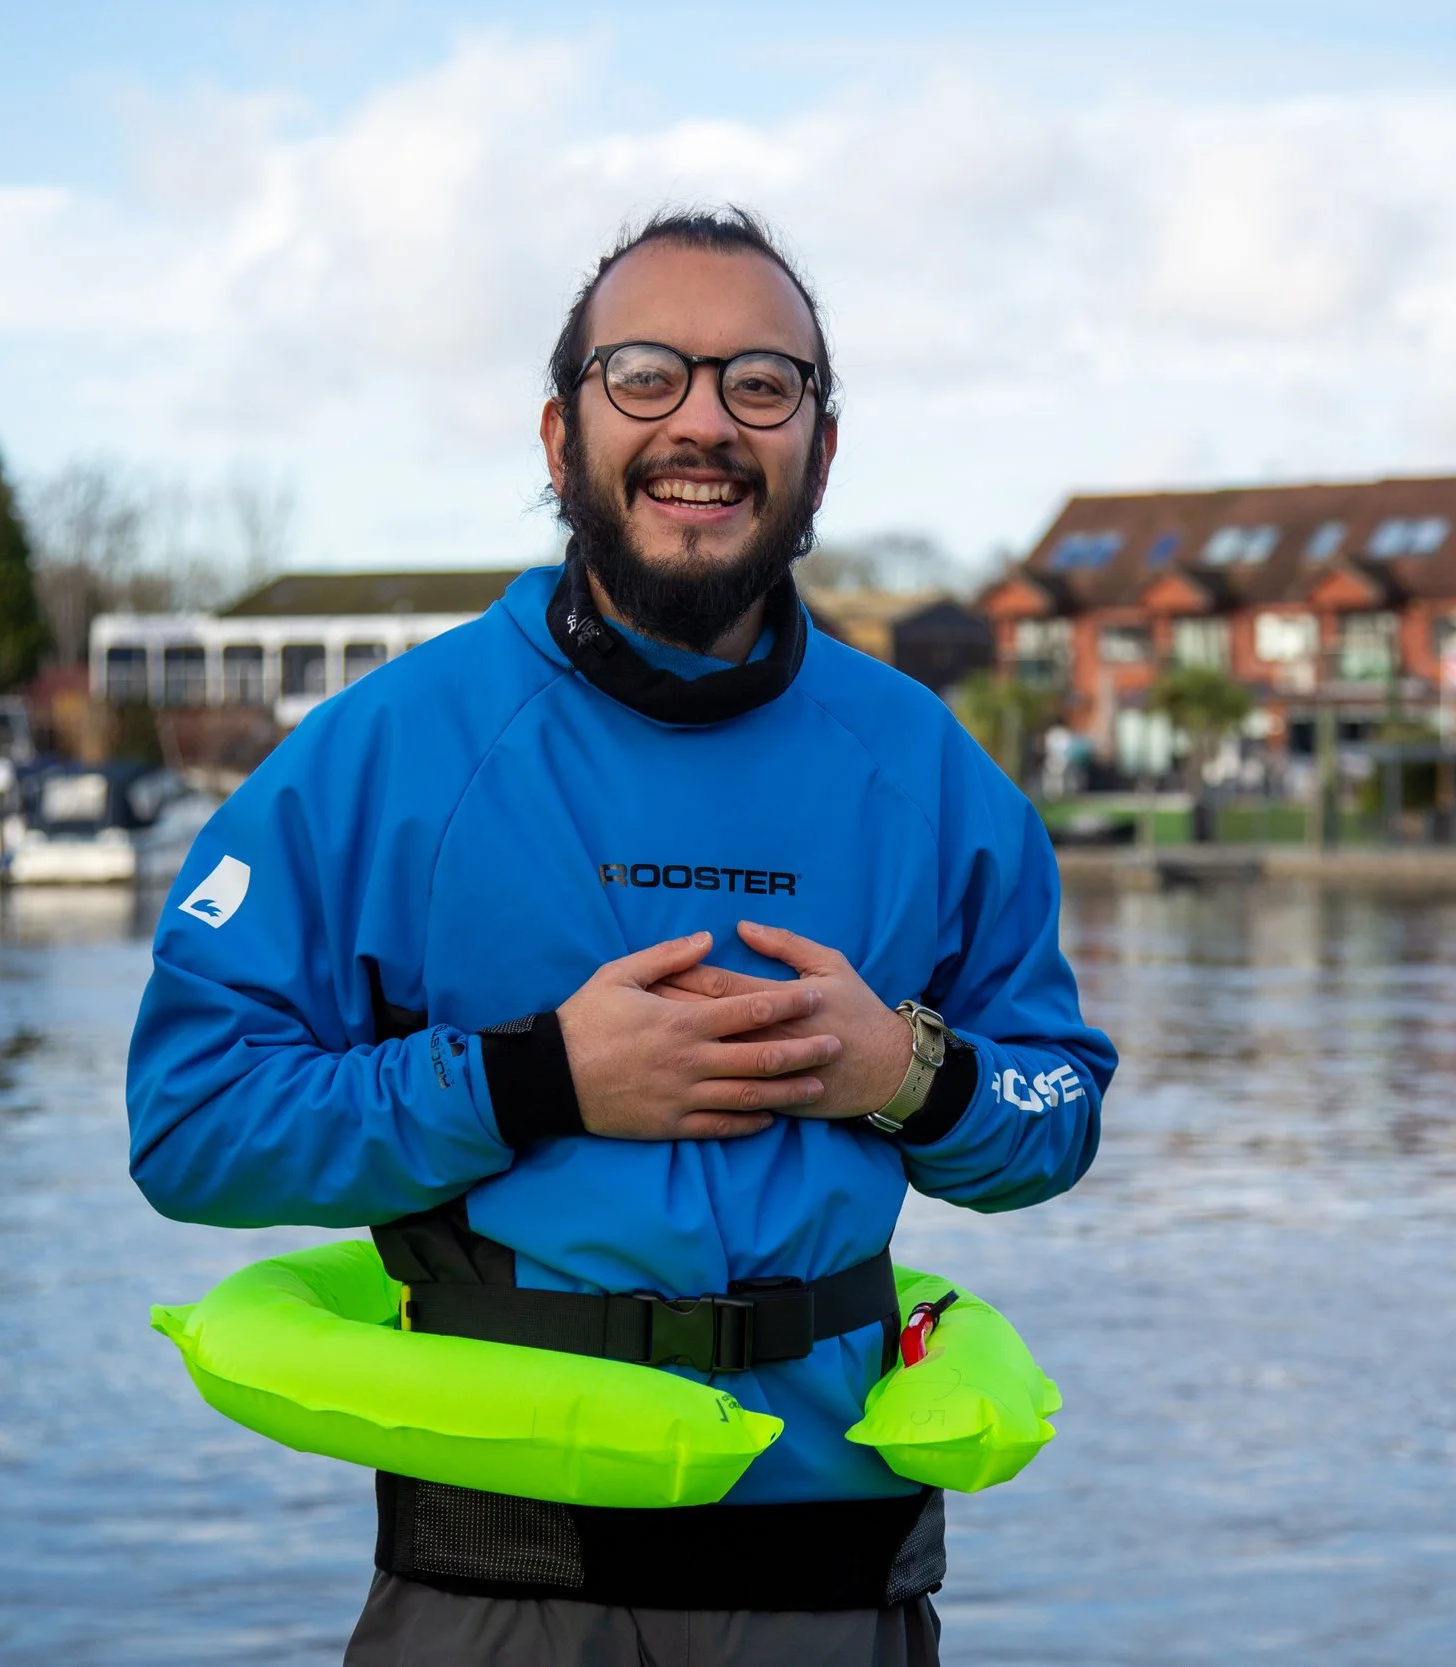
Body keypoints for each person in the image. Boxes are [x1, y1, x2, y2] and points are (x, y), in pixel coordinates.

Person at [126, 206, 1114, 1667]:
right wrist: (539, 1079)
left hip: (844, 1591)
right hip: (501, 1592)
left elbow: (1060, 1110)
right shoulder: (387, 755)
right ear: (557, 435)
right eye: (646, 375)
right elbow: (194, 1125)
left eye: (760, 384)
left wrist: (906, 1072)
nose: (703, 422)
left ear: (822, 449)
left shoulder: (930, 770)